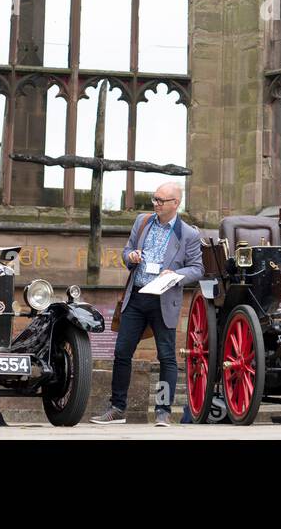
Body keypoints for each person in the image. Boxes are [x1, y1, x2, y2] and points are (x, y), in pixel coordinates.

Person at [91, 182, 202, 426]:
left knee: (166, 357)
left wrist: (175, 274)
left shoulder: (189, 234)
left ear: (175, 204)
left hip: (164, 299)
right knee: (121, 352)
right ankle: (117, 408)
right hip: (137, 296)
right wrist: (129, 257)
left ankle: (163, 411)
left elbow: (197, 269)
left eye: (161, 200)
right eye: (154, 199)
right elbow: (127, 250)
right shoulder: (142, 221)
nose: (156, 204)